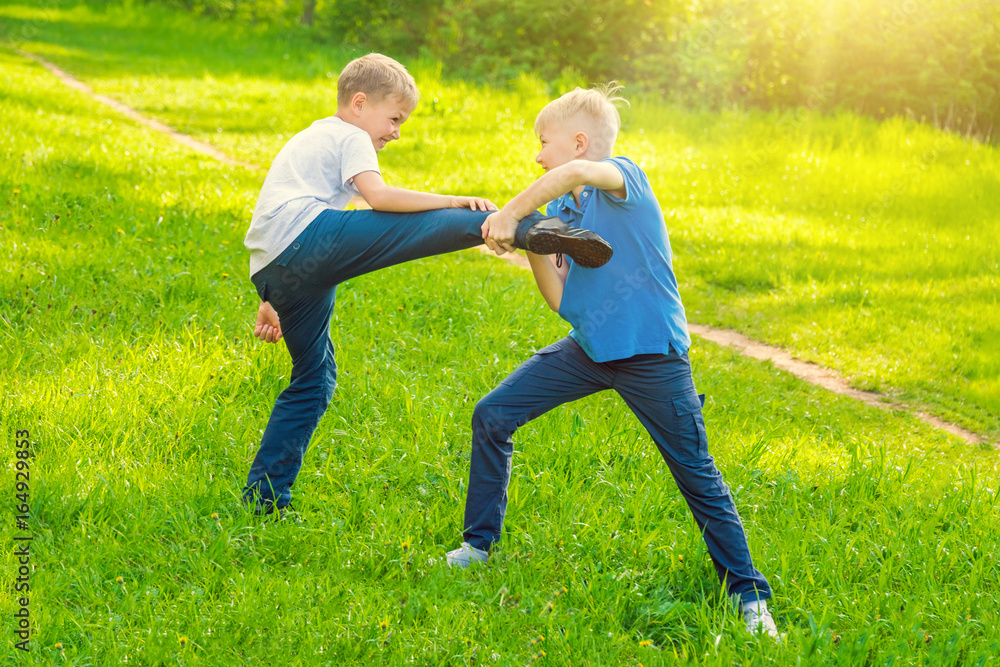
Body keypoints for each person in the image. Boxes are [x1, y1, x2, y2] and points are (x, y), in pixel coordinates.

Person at [446, 84, 779, 638]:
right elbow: (560, 301)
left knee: (696, 474)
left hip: (653, 357)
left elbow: (572, 174)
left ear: (579, 143)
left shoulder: (624, 179)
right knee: (493, 415)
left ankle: (749, 596)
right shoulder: (565, 212)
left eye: (543, 142)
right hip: (590, 350)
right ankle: (477, 547)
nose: (537, 154)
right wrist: (528, 240)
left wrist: (511, 211)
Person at [242, 54, 612, 516]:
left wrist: (273, 296)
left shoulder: (315, 137)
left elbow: (273, 226)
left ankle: (264, 501)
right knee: (421, 227)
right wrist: (453, 199)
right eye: (394, 118)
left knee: (315, 380)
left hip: (277, 268)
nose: (396, 131)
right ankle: (525, 227)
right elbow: (378, 198)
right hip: (305, 241)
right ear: (359, 103)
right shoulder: (350, 134)